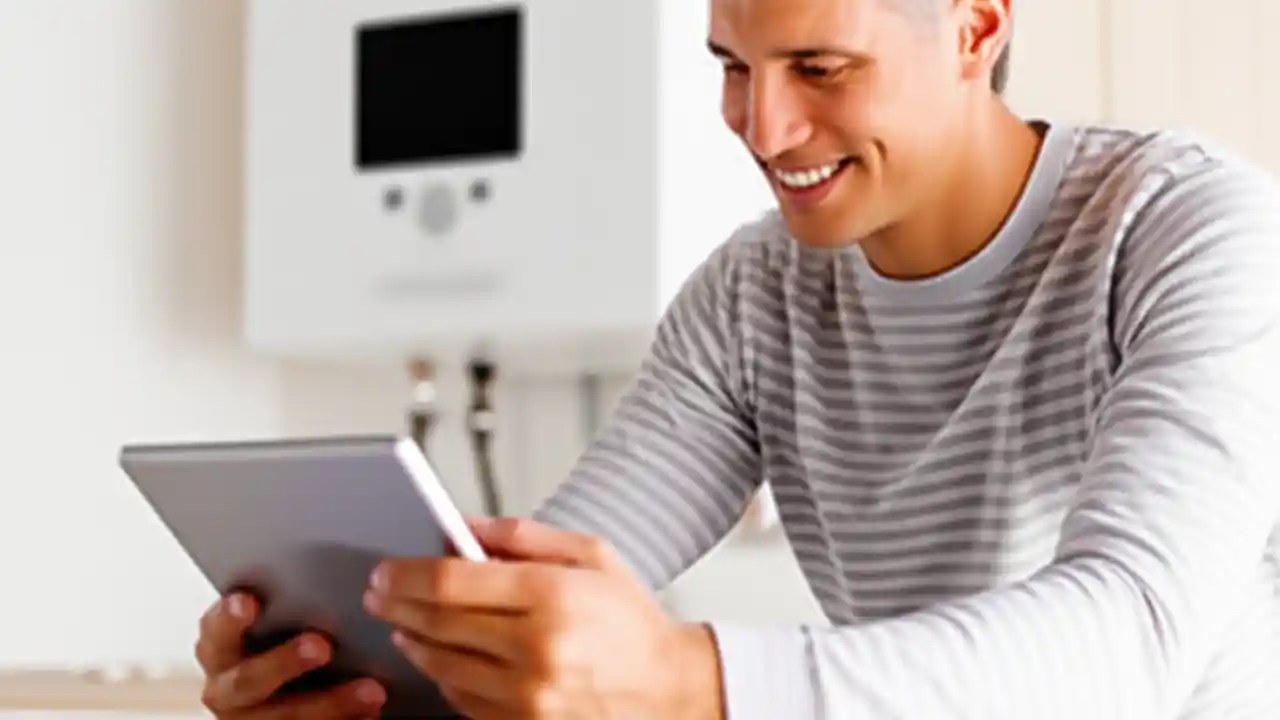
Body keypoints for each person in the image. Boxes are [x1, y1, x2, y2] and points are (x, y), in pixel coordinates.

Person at [194, 0, 1280, 717]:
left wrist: (687, 678)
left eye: (818, 67)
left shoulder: (1182, 227)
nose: (762, 129)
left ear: (973, 26)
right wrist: (381, 669)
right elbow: (551, 590)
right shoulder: (752, 293)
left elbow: (1132, 633)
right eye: (731, 66)